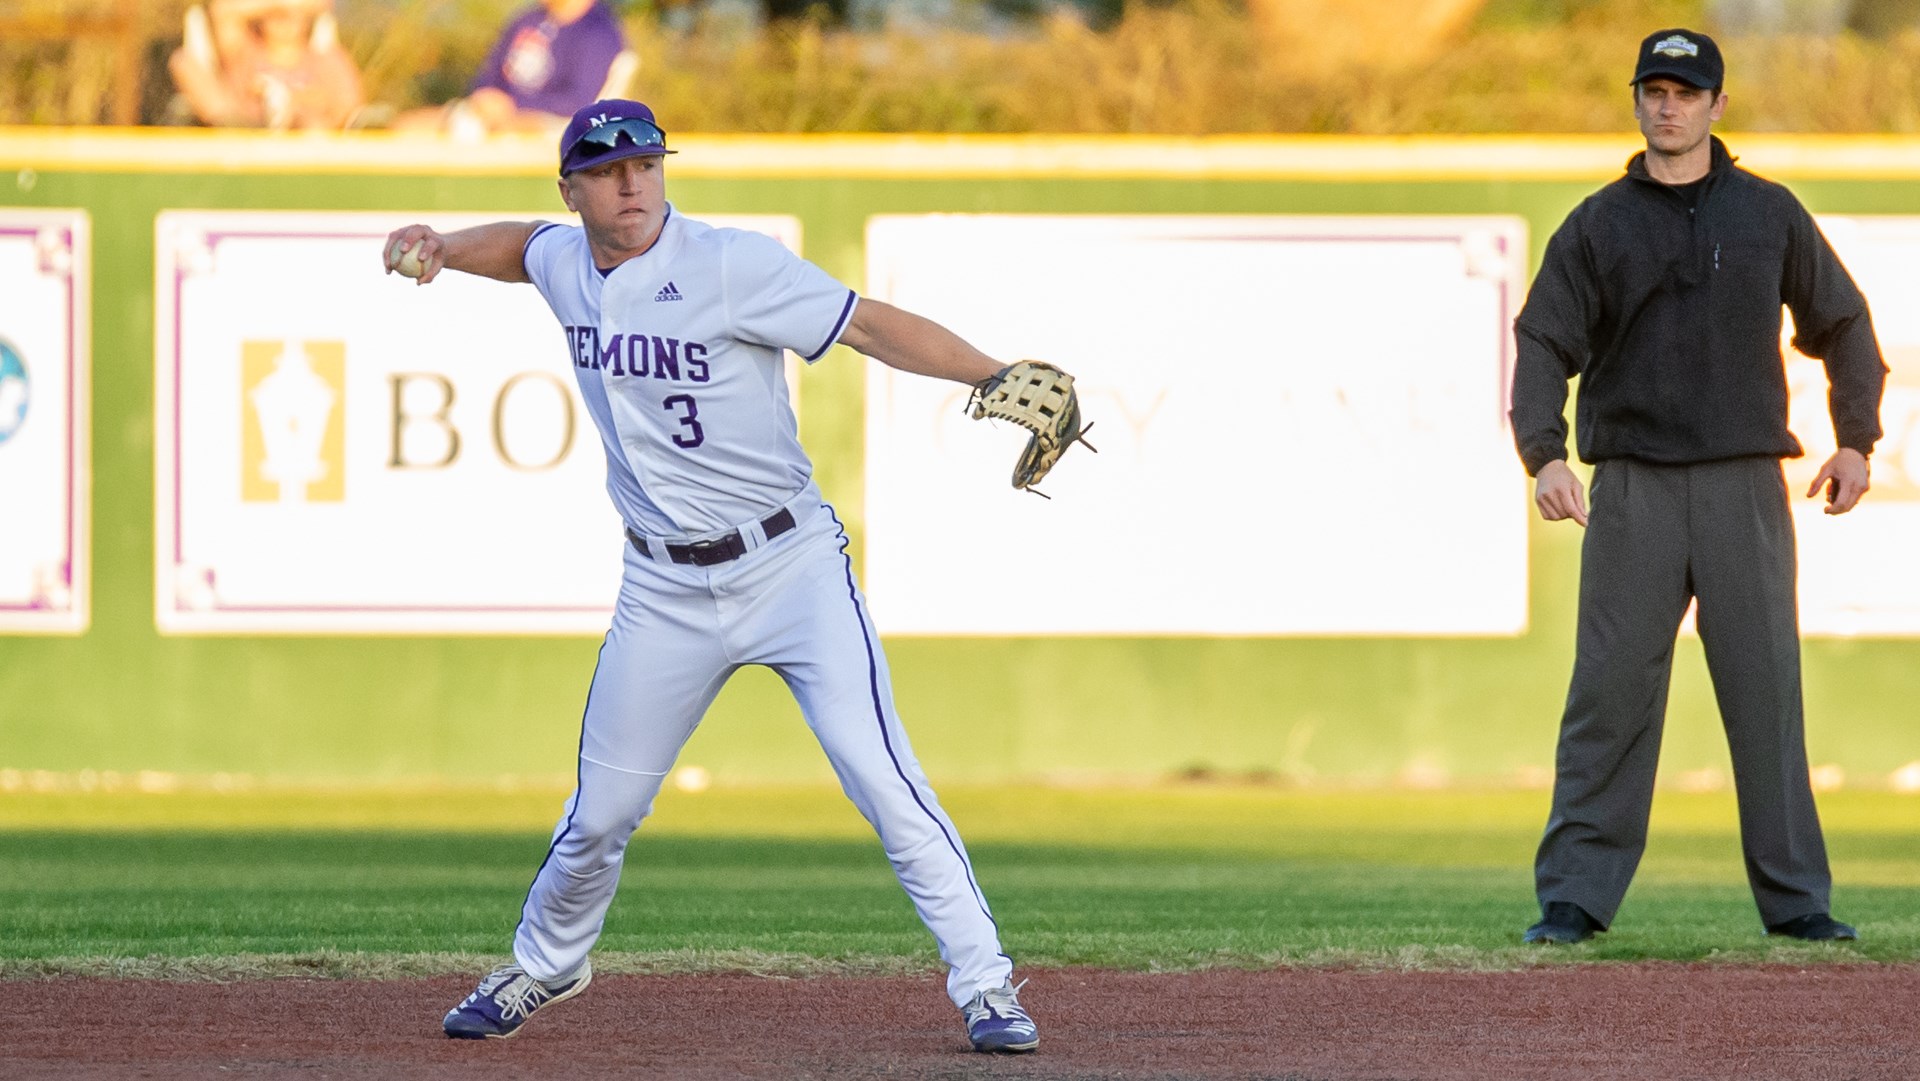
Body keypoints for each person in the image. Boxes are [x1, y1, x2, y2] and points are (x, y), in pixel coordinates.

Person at [383, 98, 1040, 1053]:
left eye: (646, 163)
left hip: (790, 566)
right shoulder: (567, 259)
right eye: (607, 171)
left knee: (884, 779)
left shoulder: (731, 264)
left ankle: (987, 987)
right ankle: (547, 963)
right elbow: (523, 248)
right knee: (600, 811)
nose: (632, 182)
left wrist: (990, 374)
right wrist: (442, 244)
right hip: (663, 589)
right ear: (572, 189)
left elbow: (866, 324)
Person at [1509, 28, 1887, 946]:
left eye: (1686, 92)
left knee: (1766, 693)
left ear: (1719, 105)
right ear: (1636, 100)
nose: (1668, 106)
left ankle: (1797, 900)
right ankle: (1574, 900)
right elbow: (1544, 342)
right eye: (1654, 90)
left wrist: (1856, 440)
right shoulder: (1598, 223)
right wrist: (1544, 453)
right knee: (1608, 694)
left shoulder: (1769, 214)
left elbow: (1842, 322)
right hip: (1633, 488)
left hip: (1743, 486)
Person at [395, 0, 626, 136]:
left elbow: (582, 103)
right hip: (491, 117)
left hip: (549, 127)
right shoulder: (527, 20)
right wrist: (485, 100)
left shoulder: (599, 33)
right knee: (407, 126)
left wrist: (512, 108)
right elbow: (487, 78)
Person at [167, 0, 364, 130]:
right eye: (276, 16)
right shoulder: (243, 50)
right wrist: (278, 5)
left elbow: (348, 106)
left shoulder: (325, 58)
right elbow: (223, 11)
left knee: (314, 124)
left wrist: (298, 103)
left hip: (309, 136)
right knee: (183, 61)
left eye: (291, 16)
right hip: (247, 130)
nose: (284, 21)